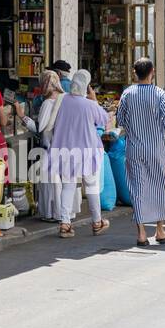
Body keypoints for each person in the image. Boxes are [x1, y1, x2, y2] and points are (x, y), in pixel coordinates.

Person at [116, 57, 165, 246]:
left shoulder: (127, 94)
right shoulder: (160, 94)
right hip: (155, 148)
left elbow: (120, 119)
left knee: (138, 189)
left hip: (134, 149)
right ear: (152, 71)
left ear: (135, 72)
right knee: (160, 186)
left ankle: (142, 233)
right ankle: (159, 230)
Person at [49, 69, 112, 237]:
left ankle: (65, 224)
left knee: (68, 186)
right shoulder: (89, 104)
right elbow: (104, 120)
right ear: (86, 85)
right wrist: (94, 99)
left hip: (65, 149)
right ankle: (97, 222)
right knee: (91, 186)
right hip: (87, 150)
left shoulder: (63, 100)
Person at [23, 70, 64, 222]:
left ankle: (52, 213)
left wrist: (23, 117)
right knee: (59, 183)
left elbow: (39, 128)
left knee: (50, 184)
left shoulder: (47, 103)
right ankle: (63, 213)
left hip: (50, 149)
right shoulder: (64, 98)